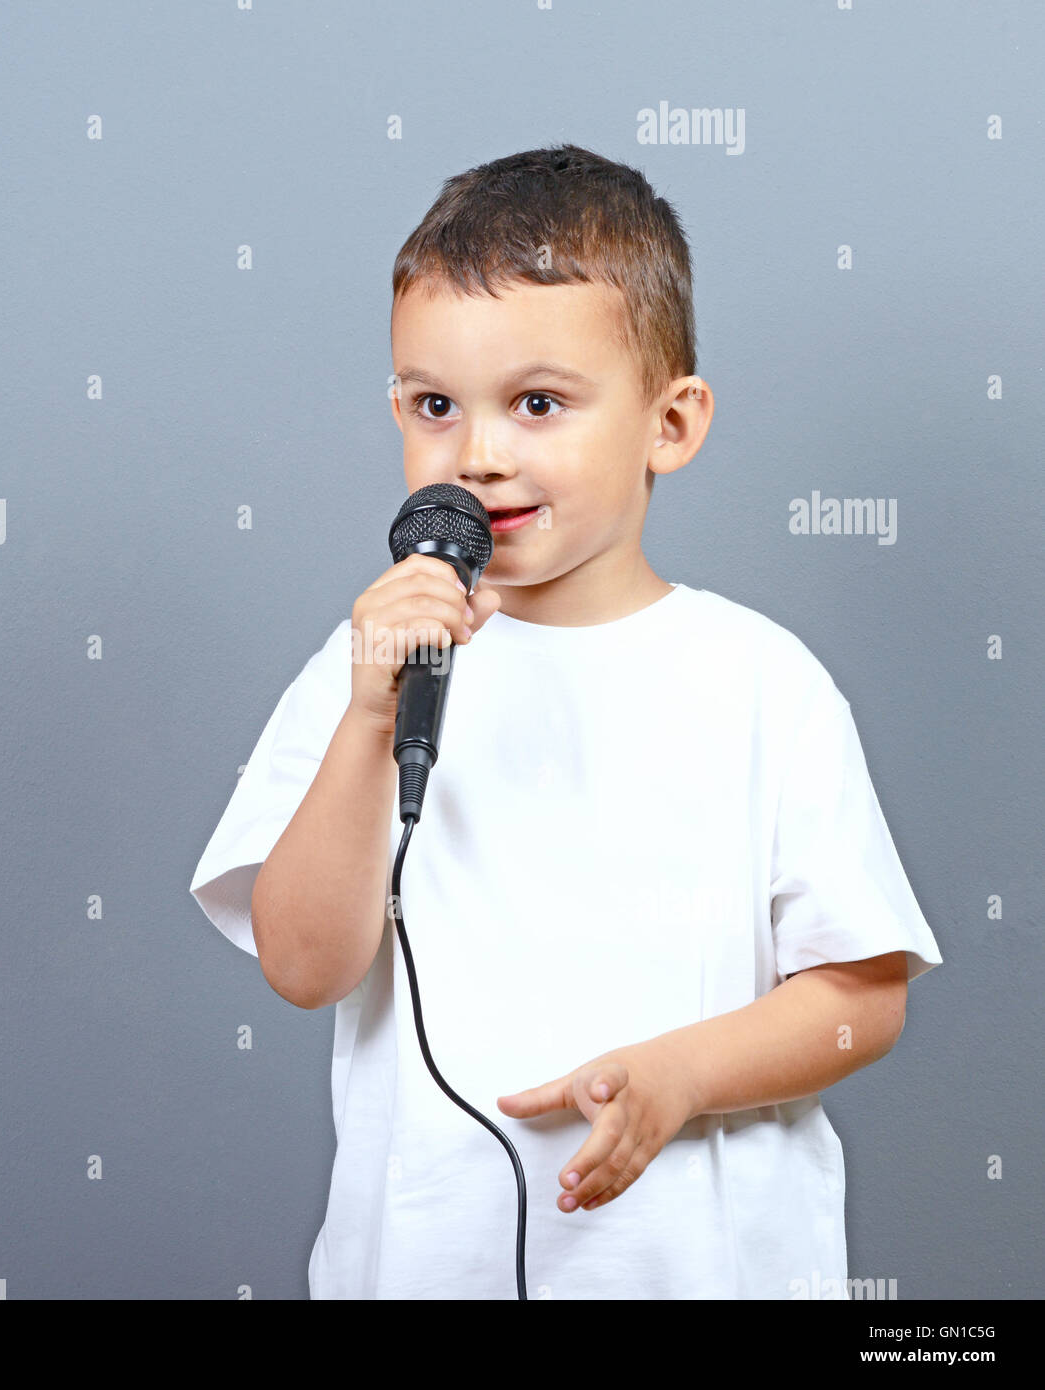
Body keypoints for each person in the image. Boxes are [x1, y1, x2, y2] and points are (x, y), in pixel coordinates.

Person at [188, 144, 942, 1300]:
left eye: (539, 403)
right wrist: (364, 723)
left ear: (670, 424)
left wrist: (682, 1075)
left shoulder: (760, 682)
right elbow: (303, 964)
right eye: (435, 404)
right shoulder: (365, 670)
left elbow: (863, 994)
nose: (480, 453)